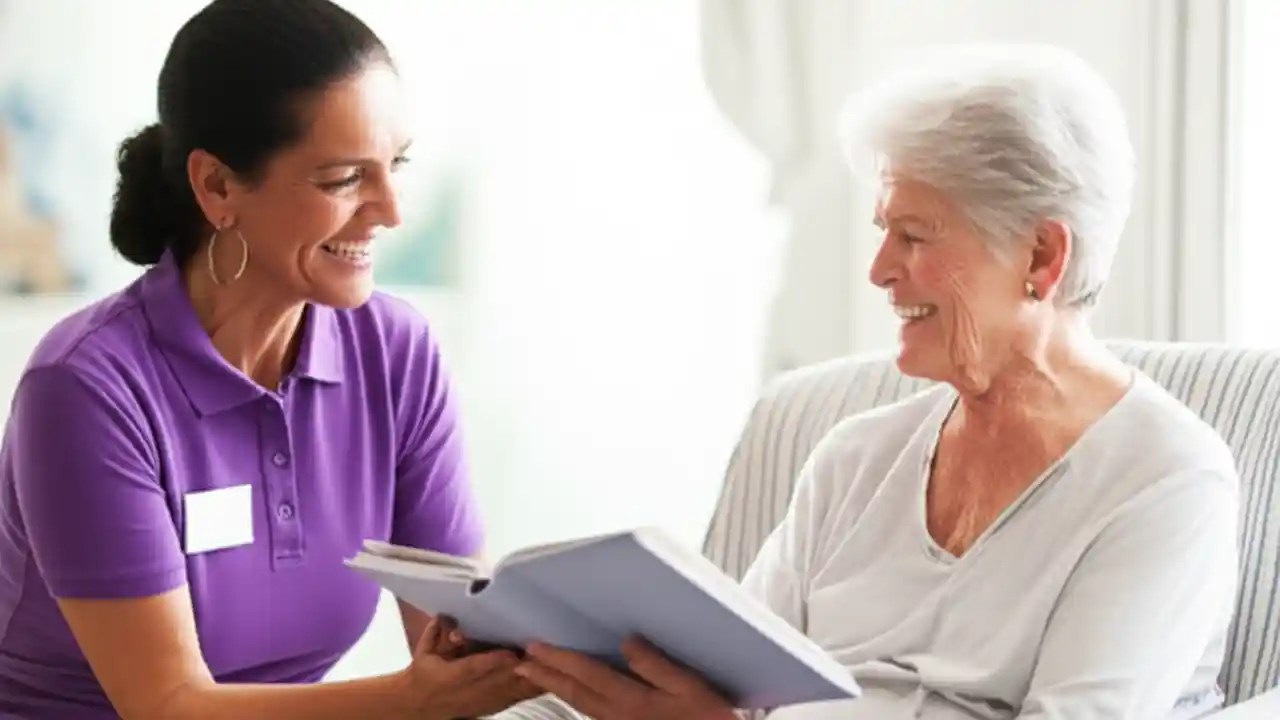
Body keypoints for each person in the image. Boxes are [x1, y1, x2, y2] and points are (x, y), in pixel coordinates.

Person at [511, 44, 1240, 719]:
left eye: (915, 235)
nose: (880, 270)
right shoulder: (854, 459)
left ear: (1042, 257)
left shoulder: (1166, 480)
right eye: (883, 230)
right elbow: (733, 685)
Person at [0, 1, 541, 717]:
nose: (389, 209)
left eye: (396, 165)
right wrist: (415, 701)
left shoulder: (397, 355)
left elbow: (460, 644)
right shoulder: (84, 388)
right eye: (343, 178)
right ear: (218, 187)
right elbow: (165, 706)